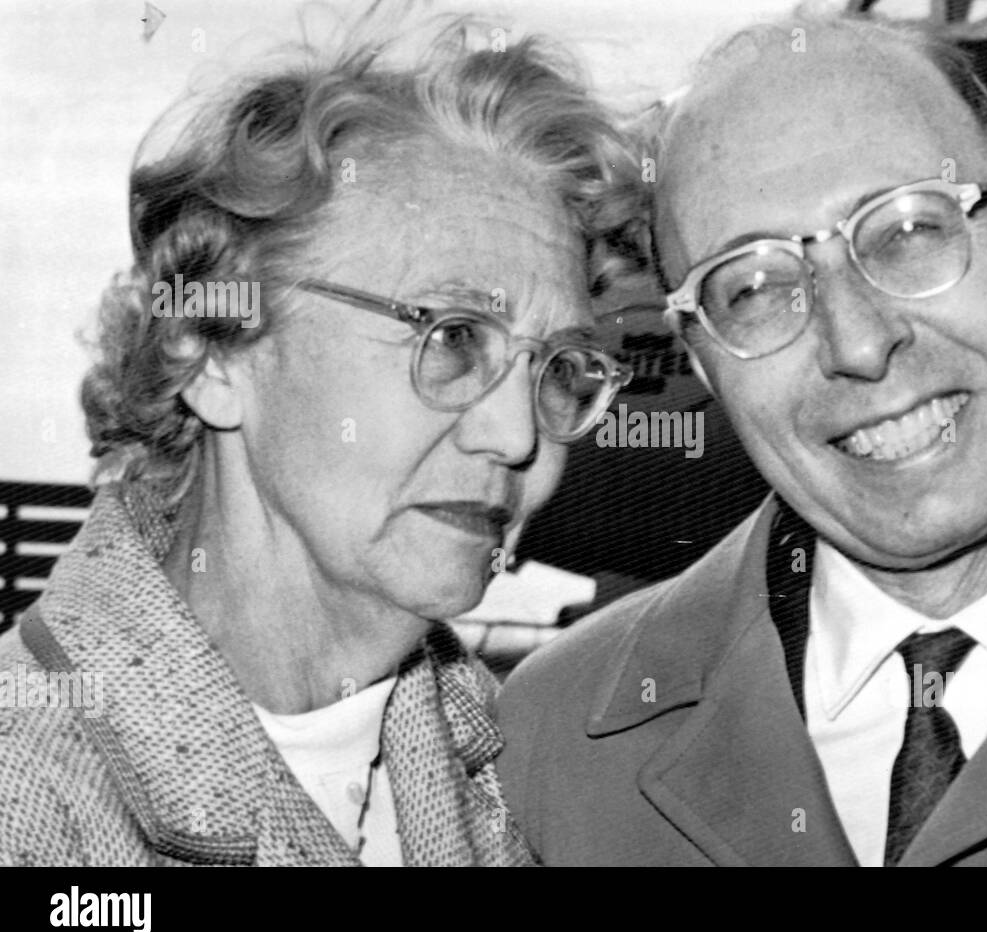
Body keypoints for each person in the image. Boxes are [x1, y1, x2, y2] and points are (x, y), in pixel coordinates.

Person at [496, 12, 987, 865]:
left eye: (912, 231)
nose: (857, 344)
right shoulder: (542, 749)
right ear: (703, 352)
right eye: (756, 287)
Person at [0, 9, 638, 866]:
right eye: (450, 337)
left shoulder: (508, 764)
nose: (517, 435)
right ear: (213, 353)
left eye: (557, 366)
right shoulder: (29, 796)